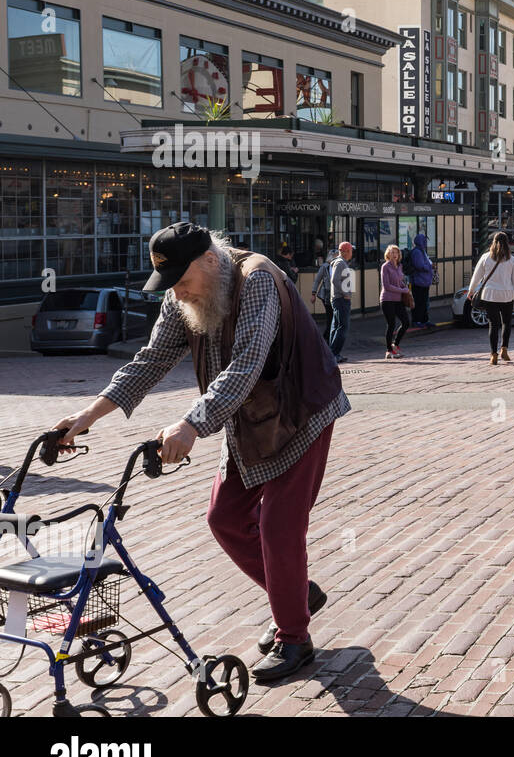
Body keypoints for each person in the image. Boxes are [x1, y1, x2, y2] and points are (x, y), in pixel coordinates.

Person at [53, 222, 347, 682]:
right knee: (224, 517)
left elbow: (246, 364)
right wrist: (87, 416)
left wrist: (191, 424)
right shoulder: (185, 297)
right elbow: (150, 360)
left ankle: (294, 637)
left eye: (183, 282)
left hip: (301, 410)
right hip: (249, 419)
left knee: (278, 526)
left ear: (209, 260)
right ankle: (295, 593)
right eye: (171, 286)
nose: (179, 294)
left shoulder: (257, 280)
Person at [466, 232, 514, 365]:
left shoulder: (486, 257)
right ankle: (504, 348)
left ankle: (493, 354)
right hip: (507, 295)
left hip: (490, 295)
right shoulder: (511, 259)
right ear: (507, 243)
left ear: (493, 242)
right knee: (507, 323)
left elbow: (476, 275)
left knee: (493, 325)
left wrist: (471, 290)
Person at [380, 244, 411, 359]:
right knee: (391, 324)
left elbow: (399, 281)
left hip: (398, 300)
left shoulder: (399, 266)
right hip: (387, 299)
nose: (394, 255)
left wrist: (405, 288)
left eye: (396, 252)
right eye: (392, 252)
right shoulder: (385, 267)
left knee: (406, 322)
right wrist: (402, 290)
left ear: (399, 255)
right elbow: (387, 286)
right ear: (388, 254)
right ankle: (389, 351)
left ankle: (395, 344)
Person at [328, 241, 354, 363]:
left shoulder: (339, 262)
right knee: (342, 326)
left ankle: (332, 353)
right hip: (341, 299)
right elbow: (334, 280)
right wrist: (346, 294)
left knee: (336, 326)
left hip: (338, 299)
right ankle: (334, 353)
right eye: (350, 251)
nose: (351, 253)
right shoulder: (340, 263)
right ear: (345, 251)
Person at [409, 232, 435, 328]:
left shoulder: (422, 251)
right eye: (424, 241)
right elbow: (419, 266)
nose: (425, 243)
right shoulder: (416, 252)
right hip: (418, 282)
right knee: (418, 302)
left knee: (424, 302)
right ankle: (416, 321)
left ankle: (425, 320)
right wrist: (429, 266)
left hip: (424, 282)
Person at [310, 248, 336, 340]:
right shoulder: (325, 267)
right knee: (331, 315)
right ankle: (327, 337)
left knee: (333, 316)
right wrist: (313, 294)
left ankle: (327, 336)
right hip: (326, 294)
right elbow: (317, 280)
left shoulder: (339, 266)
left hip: (336, 294)